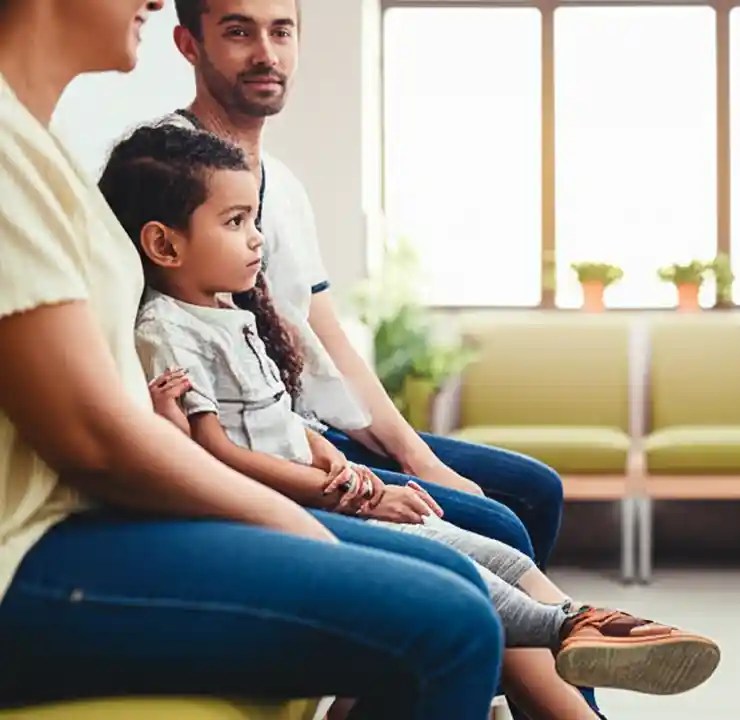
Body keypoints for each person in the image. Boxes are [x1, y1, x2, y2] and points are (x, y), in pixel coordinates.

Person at [106, 123, 721, 718]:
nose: (257, 238)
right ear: (164, 244)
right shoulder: (167, 332)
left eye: (253, 219)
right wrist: (340, 488)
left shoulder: (230, 314)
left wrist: (339, 462)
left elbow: (280, 418)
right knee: (460, 579)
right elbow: (216, 454)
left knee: (505, 557)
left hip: (321, 489)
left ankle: (579, 630)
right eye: (236, 222)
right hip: (288, 510)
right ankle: (574, 627)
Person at [0, 2, 506, 718]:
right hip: (27, 552)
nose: (150, 0)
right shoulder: (8, 151)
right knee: (450, 624)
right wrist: (291, 515)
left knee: (454, 578)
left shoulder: (38, 146)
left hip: (91, 519)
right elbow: (93, 440)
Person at [162, 0, 565, 569]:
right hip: (257, 436)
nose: (266, 54)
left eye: (282, 31)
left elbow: (326, 339)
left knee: (535, 489)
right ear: (188, 45)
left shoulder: (288, 190)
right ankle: (520, 649)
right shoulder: (163, 166)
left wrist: (416, 455)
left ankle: (550, 643)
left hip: (314, 427)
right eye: (238, 32)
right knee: (498, 523)